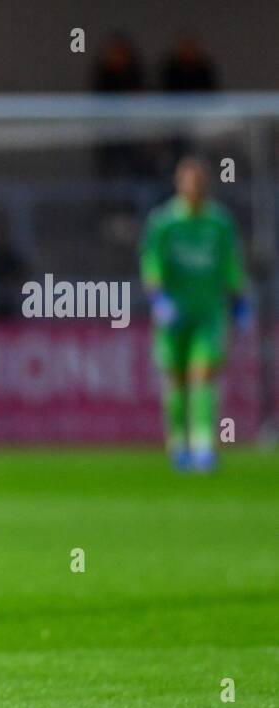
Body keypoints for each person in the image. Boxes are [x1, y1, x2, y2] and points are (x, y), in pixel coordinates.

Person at [141, 156, 249, 472]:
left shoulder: (219, 223)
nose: (194, 187)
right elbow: (151, 264)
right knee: (176, 381)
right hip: (174, 315)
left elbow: (230, 264)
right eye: (188, 182)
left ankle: (203, 443)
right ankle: (178, 443)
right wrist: (159, 298)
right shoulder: (164, 223)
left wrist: (239, 302)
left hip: (208, 313)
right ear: (179, 184)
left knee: (202, 375)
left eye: (199, 181)